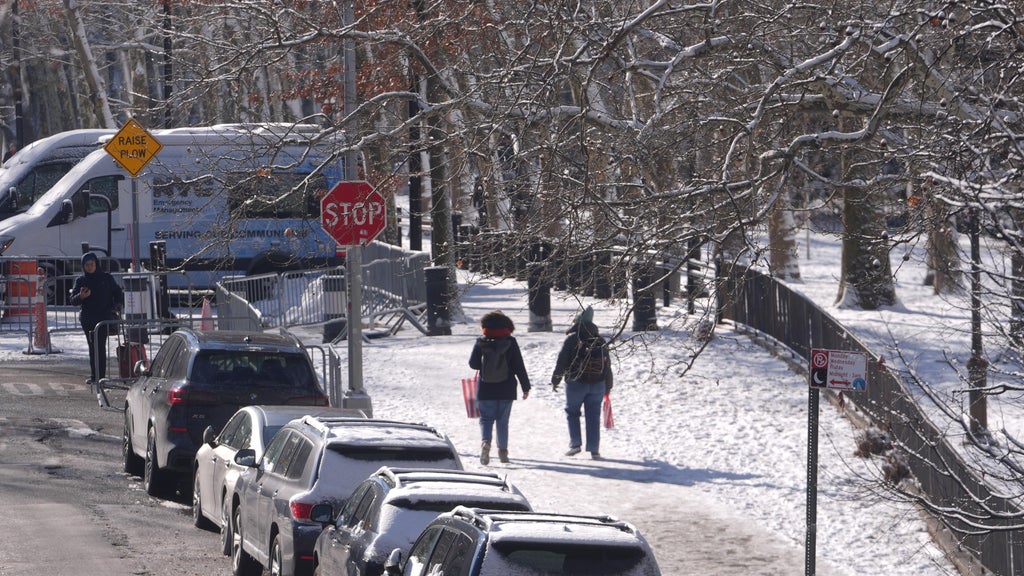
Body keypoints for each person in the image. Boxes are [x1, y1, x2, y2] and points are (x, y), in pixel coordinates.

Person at [468, 310, 531, 465]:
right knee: (503, 421)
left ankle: (485, 443)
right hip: (506, 388)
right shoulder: (511, 341)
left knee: (486, 419)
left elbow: (473, 364)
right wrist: (525, 386)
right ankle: (503, 452)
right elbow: (518, 366)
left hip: (485, 388)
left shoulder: (481, 341)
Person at [551, 306, 613, 460]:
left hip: (575, 383)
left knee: (572, 412)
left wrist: (556, 379)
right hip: (598, 383)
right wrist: (608, 386)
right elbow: (607, 365)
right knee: (593, 415)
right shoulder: (600, 340)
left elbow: (562, 361)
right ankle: (594, 449)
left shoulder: (572, 339)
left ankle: (575, 444)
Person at [69, 252, 124, 386]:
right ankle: (94, 376)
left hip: (103, 318)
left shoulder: (106, 278)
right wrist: (81, 297)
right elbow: (73, 300)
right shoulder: (81, 281)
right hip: (88, 319)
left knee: (100, 346)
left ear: (96, 264)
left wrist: (117, 304)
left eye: (92, 264)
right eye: (86, 265)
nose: (89, 267)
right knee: (92, 347)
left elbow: (118, 293)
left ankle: (101, 377)